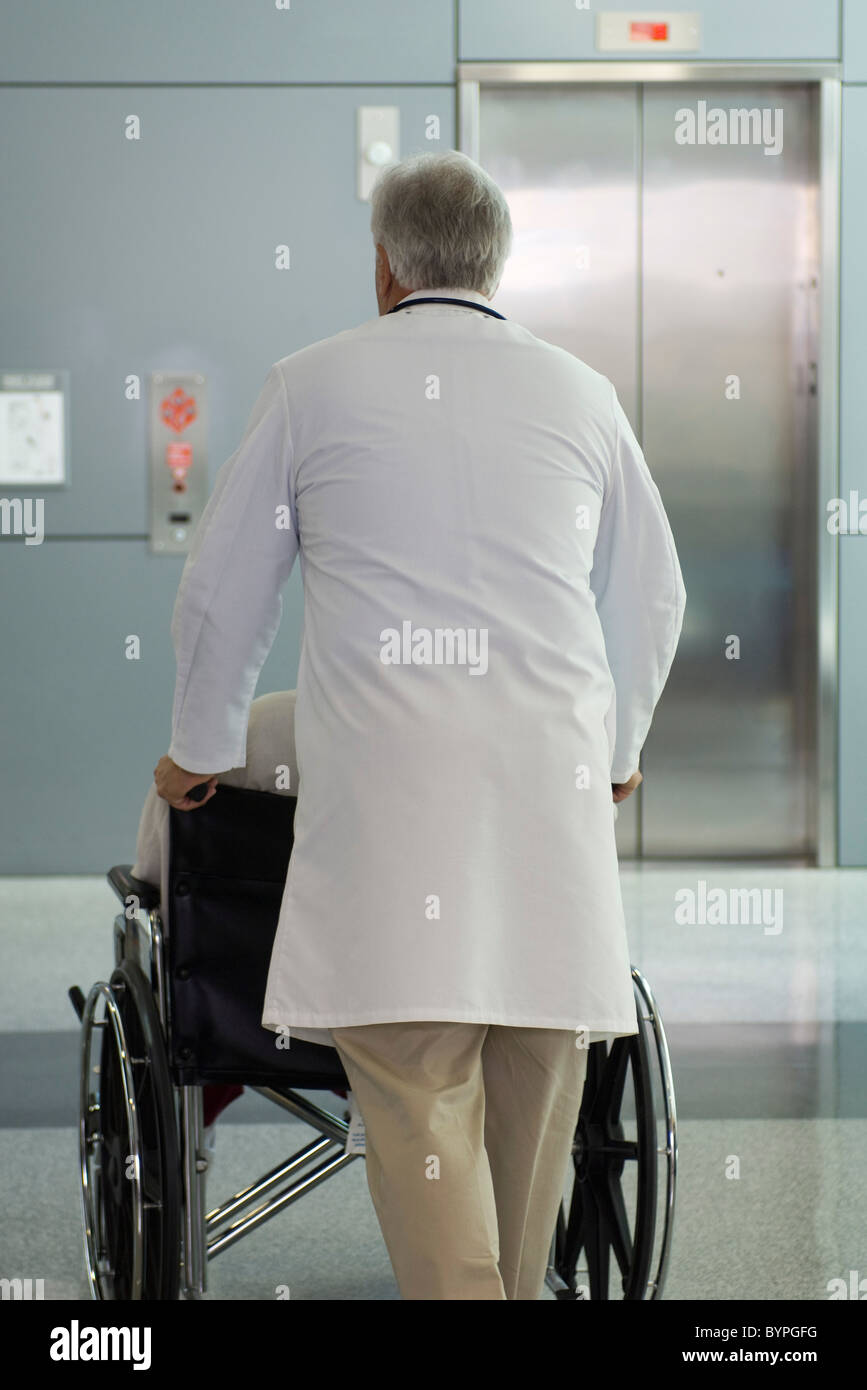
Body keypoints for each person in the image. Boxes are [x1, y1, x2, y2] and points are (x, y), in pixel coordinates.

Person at [153, 151, 686, 1300]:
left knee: (410, 1075)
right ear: (496, 262)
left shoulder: (312, 382)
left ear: (385, 265)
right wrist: (622, 753)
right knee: (536, 1075)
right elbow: (653, 593)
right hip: (550, 801)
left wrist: (199, 750)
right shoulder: (582, 392)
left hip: (392, 818)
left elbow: (225, 587)